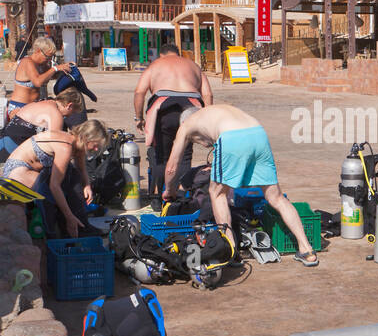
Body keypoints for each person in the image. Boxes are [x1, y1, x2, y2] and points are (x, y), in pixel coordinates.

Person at [164, 105, 319, 266]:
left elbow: (171, 167)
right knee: (276, 197)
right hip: (258, 133)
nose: (202, 144)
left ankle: (231, 252)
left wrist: (169, 190)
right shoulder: (215, 112)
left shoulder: (186, 125)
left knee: (217, 193)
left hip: (231, 137)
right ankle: (306, 250)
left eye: (193, 140)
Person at [3, 119, 108, 239]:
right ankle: (54, 233)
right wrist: (69, 217)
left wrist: (87, 185)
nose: (95, 149)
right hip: (17, 171)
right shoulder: (65, 146)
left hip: (35, 171)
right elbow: (54, 186)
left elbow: (80, 167)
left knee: (72, 175)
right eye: (95, 145)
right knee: (49, 191)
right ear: (87, 138)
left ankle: (81, 224)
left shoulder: (76, 142)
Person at [133, 43, 214, 198]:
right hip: (191, 107)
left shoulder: (156, 64)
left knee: (160, 154)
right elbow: (208, 94)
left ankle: (158, 197)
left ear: (162, 55)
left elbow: (139, 92)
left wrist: (139, 118)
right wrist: (207, 119)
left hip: (164, 108)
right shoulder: (193, 66)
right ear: (178, 54)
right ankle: (181, 196)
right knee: (184, 154)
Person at [0, 87, 86, 161]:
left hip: (1, 144)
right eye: (73, 112)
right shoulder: (55, 113)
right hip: (10, 151)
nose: (70, 116)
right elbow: (55, 146)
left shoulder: (44, 101)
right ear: (69, 105)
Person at [8, 37, 73, 113]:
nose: (49, 60)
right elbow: (38, 82)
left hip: (33, 106)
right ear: (38, 51)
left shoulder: (42, 65)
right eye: (47, 57)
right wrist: (54, 68)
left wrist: (65, 68)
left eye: (51, 57)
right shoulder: (27, 62)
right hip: (19, 107)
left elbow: (53, 75)